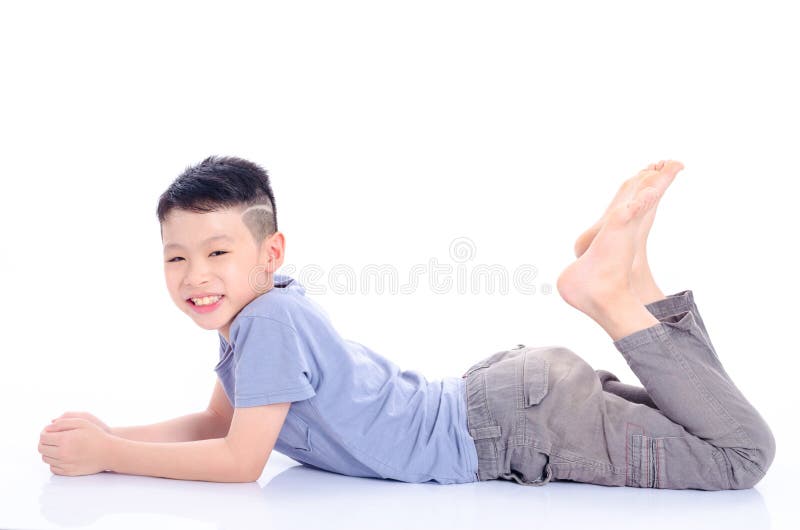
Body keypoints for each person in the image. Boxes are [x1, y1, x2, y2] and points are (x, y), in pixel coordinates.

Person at [38, 157, 775, 490]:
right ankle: (629, 278)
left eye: (218, 252)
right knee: (713, 436)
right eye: (176, 257)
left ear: (271, 253)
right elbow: (218, 426)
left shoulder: (267, 324)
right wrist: (113, 433)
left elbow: (238, 464)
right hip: (511, 401)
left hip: (510, 426)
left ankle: (617, 290)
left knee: (740, 458)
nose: (196, 275)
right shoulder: (262, 319)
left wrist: (110, 456)